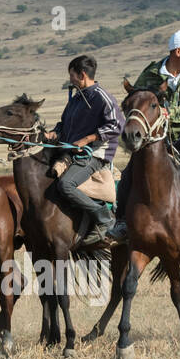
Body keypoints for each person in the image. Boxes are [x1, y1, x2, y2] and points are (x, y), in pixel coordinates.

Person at [108, 29, 180, 244]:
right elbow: (136, 99)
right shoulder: (150, 73)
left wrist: (169, 113)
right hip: (155, 136)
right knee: (130, 171)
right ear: (179, 51)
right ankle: (121, 221)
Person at [43, 55, 122, 249]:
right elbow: (65, 124)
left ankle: (104, 219)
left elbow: (117, 125)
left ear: (82, 75)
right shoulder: (77, 98)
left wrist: (87, 139)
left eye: (71, 75)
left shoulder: (102, 96)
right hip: (72, 152)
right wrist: (55, 132)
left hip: (94, 154)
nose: (69, 79)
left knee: (66, 185)